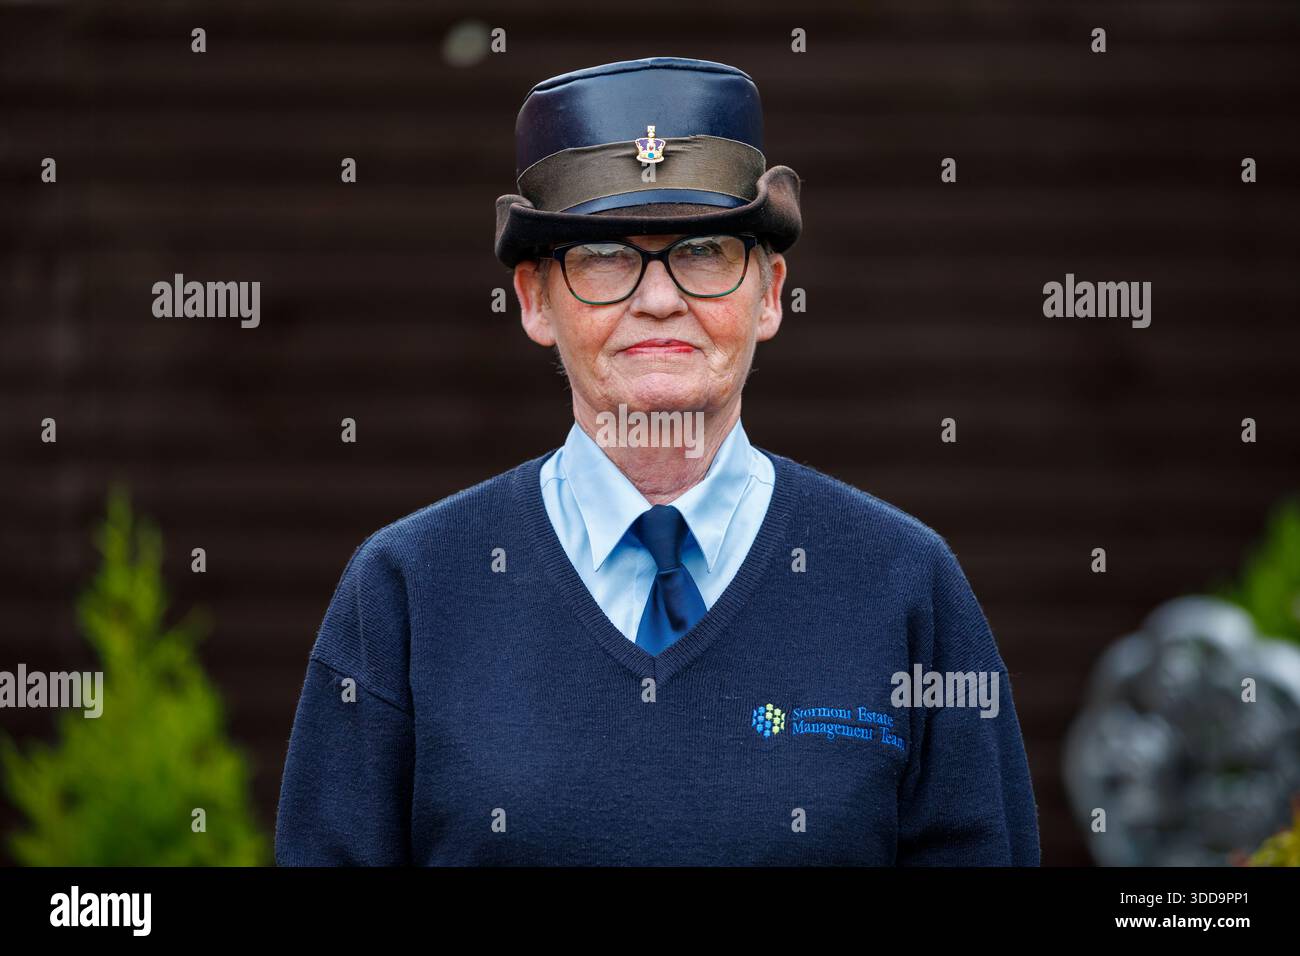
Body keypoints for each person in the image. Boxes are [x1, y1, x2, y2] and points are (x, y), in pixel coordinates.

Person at [275, 56, 1041, 865]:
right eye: (604, 255)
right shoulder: (406, 592)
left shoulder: (906, 587)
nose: (659, 298)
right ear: (535, 300)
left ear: (770, 292)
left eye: (704, 250)